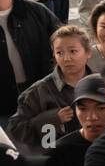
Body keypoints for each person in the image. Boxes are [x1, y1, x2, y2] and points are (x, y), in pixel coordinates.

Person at [9, 24, 91, 153]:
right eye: (59, 53)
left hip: (98, 152)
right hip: (56, 156)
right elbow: (16, 129)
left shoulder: (102, 83)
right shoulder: (39, 91)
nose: (66, 58)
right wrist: (51, 118)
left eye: (73, 51)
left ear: (88, 52)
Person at [0, 0, 60, 124]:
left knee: (47, 140)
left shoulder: (37, 12)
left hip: (42, 101)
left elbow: (65, 45)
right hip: (3, 108)